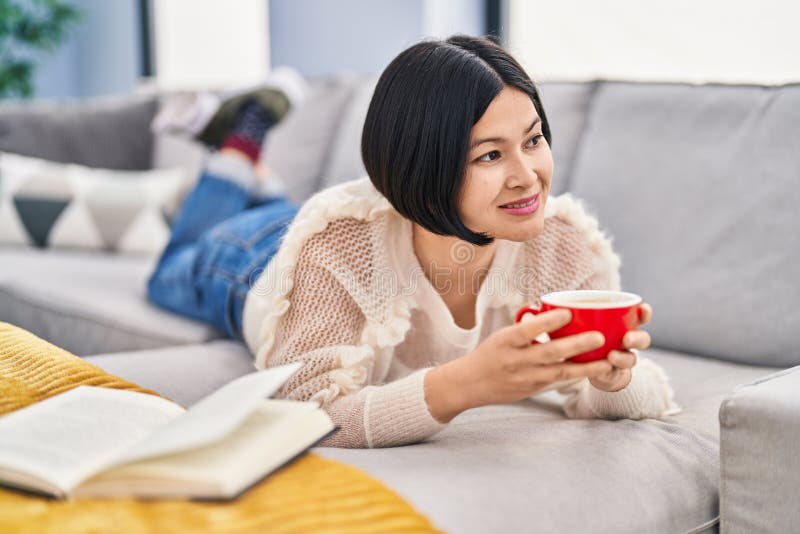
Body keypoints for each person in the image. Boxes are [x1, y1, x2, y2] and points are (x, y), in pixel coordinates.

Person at [148, 35, 680, 449]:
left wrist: (612, 380)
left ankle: (248, 164)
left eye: (533, 139)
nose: (528, 177)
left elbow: (632, 391)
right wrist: (464, 384)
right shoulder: (333, 246)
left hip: (329, 222)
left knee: (280, 211)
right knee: (172, 265)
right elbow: (303, 414)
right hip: (254, 260)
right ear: (425, 165)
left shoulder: (563, 243)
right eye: (490, 155)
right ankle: (240, 143)